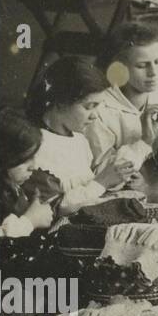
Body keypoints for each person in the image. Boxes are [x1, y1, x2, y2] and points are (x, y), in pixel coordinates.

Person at [25, 57, 138, 214]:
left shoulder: (79, 140)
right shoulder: (36, 146)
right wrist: (102, 182)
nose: (95, 116)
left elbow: (87, 187)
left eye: (98, 106)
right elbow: (53, 209)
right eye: (89, 107)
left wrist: (117, 178)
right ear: (61, 102)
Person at [86, 22, 158, 170]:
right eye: (142, 65)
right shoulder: (101, 109)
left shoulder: (157, 91)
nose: (153, 73)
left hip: (155, 175)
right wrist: (145, 142)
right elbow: (101, 171)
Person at [0, 109, 56, 239]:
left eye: (34, 157)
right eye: (24, 159)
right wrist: (29, 221)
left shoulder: (14, 185)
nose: (33, 167)